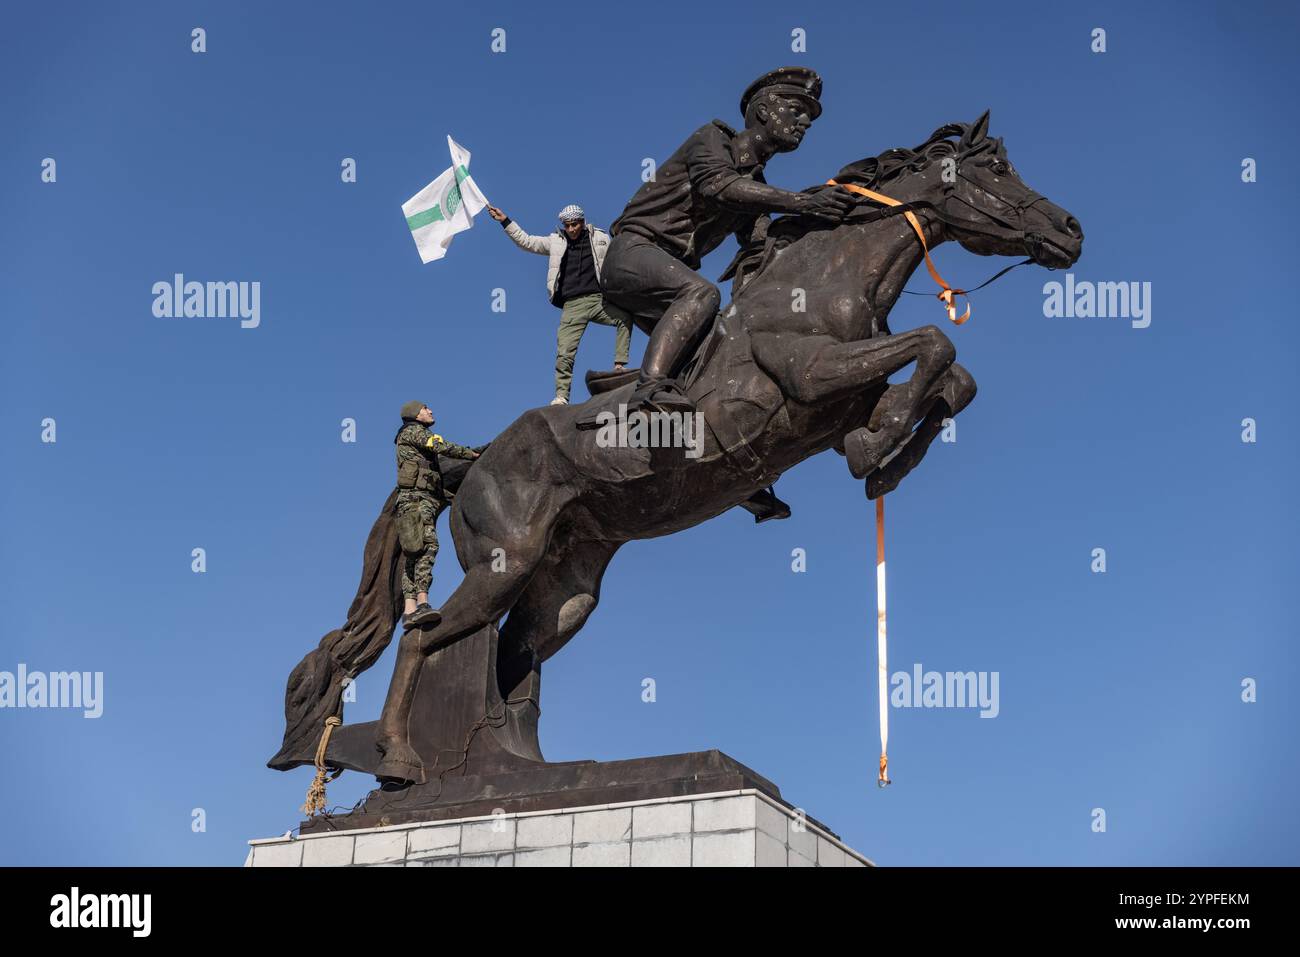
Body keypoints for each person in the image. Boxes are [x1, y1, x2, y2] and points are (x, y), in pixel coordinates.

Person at [601, 66, 855, 414]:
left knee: (722, 336)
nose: (805, 123)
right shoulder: (712, 139)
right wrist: (804, 202)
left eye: (809, 117)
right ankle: (648, 390)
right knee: (702, 294)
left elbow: (761, 244)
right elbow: (719, 187)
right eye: (796, 111)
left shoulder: (756, 183)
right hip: (631, 255)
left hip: (668, 277)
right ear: (764, 111)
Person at [487, 203, 633, 405]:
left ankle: (619, 366)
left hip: (598, 300)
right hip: (572, 305)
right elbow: (527, 241)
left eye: (575, 224)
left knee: (624, 317)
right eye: (568, 225)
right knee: (565, 352)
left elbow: (617, 257)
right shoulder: (555, 241)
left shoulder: (600, 238)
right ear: (563, 225)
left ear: (582, 222)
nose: (572, 229)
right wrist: (505, 221)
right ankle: (562, 395)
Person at [393, 401, 480, 630]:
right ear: (414, 415)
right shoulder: (414, 432)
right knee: (427, 546)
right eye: (425, 409)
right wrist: (470, 454)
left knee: (416, 551)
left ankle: (409, 611)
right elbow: (440, 446)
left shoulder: (413, 435)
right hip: (416, 500)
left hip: (418, 500)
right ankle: (422, 603)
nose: (430, 411)